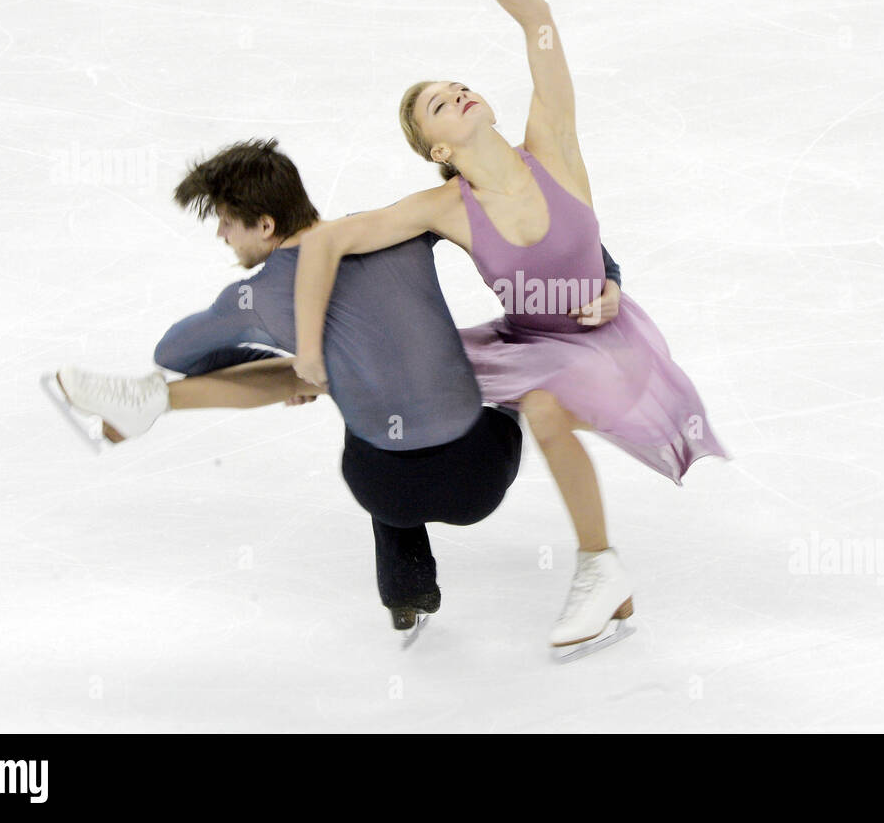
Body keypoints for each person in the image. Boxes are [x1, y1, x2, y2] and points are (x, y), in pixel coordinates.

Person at [290, 0, 727, 657]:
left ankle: (597, 567)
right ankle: (421, 552)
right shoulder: (446, 208)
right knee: (388, 376)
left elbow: (540, 20)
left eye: (456, 85)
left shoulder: (552, 141)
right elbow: (332, 240)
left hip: (599, 345)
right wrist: (308, 350)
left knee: (551, 408)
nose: (455, 92)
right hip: (523, 347)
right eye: (437, 104)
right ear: (437, 150)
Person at [49, 138, 627, 638]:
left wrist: (291, 357)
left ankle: (406, 590)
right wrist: (606, 271)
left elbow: (172, 353)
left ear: (266, 225)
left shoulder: (251, 298)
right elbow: (522, 225)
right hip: (480, 476)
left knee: (352, 394)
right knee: (476, 362)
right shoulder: (392, 230)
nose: (222, 234)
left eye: (226, 220)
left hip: (382, 487)